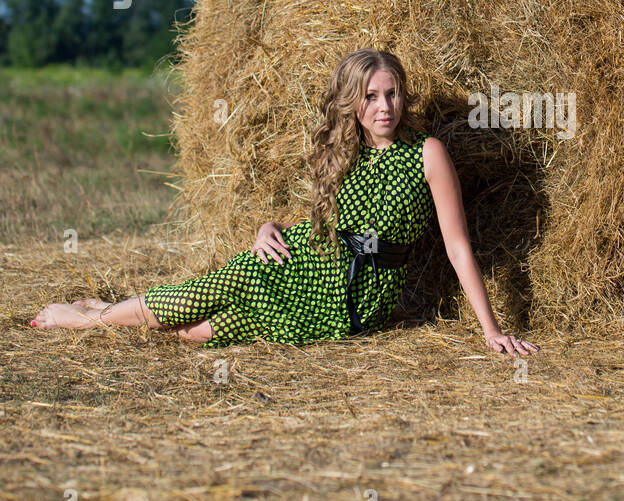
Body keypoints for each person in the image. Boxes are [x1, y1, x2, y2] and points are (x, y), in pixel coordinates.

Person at [32, 48, 539, 357]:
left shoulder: (426, 154)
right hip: (297, 260)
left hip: (356, 292)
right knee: (193, 302)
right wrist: (268, 224)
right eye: (370, 97)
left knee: (198, 333)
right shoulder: (346, 152)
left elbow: (457, 248)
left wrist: (492, 331)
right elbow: (322, 221)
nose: (384, 106)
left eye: (392, 94)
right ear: (352, 103)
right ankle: (87, 320)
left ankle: (103, 310)